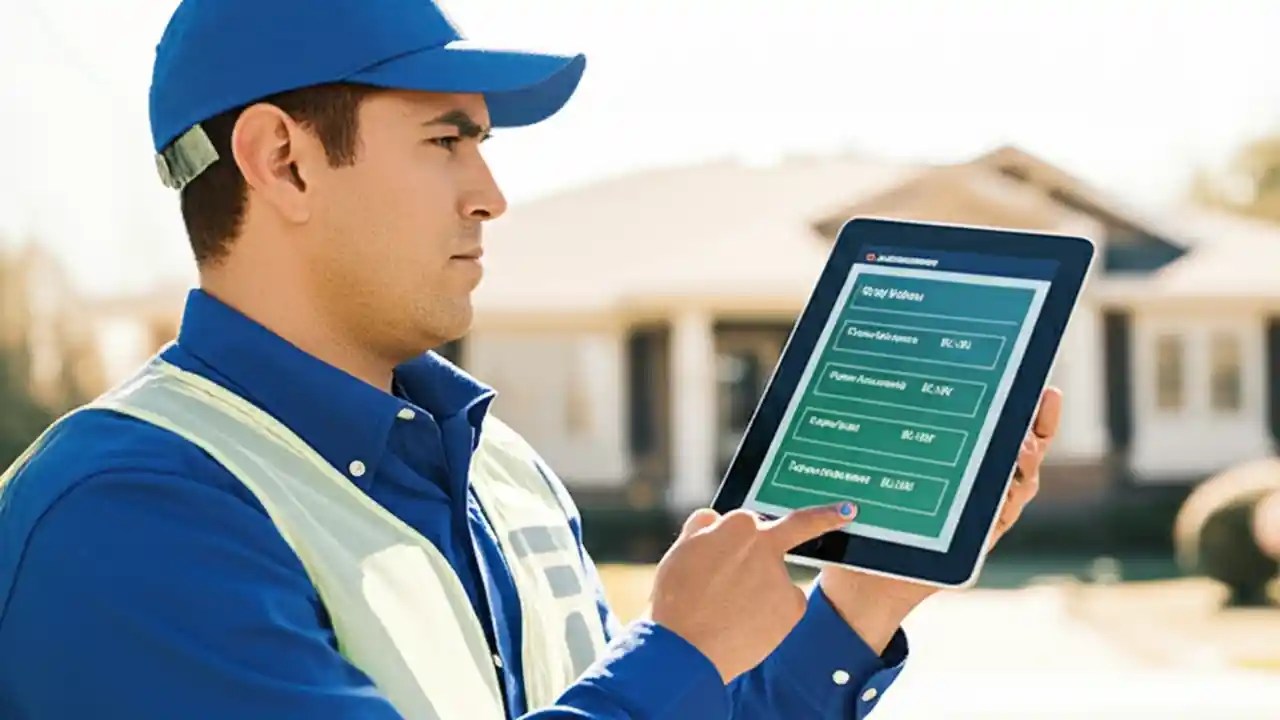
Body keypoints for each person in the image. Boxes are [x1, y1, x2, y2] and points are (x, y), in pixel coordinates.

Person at [0, 1, 1061, 718]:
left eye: (482, 148)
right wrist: (677, 656)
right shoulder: (123, 516)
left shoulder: (502, 475)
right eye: (443, 140)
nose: (490, 195)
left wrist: (860, 604)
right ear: (283, 160)